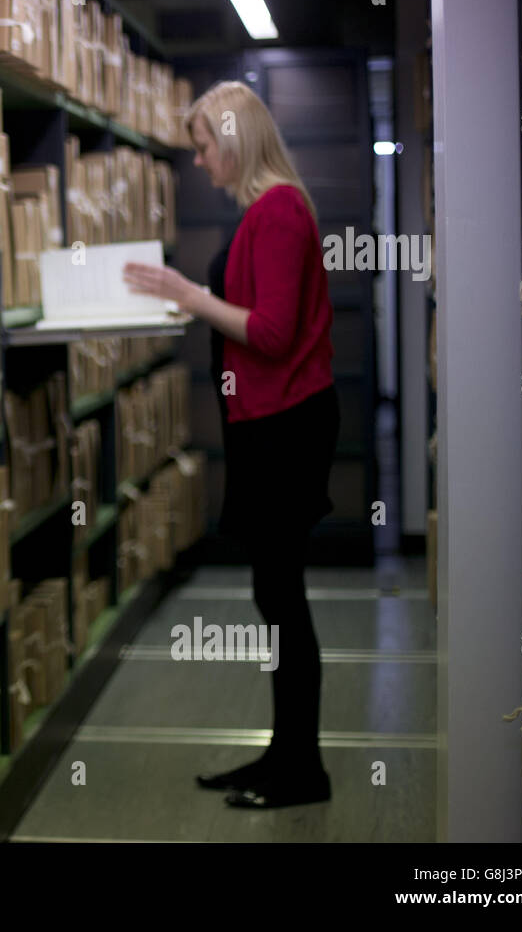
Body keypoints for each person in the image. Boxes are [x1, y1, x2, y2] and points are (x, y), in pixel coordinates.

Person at [124, 80, 339, 809]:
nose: (199, 159)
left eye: (205, 144)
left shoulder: (278, 210)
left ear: (235, 140)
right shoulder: (259, 211)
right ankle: (283, 754)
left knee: (283, 596)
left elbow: (273, 334)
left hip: (286, 425)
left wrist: (189, 295)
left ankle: (302, 771)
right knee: (272, 593)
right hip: (262, 421)